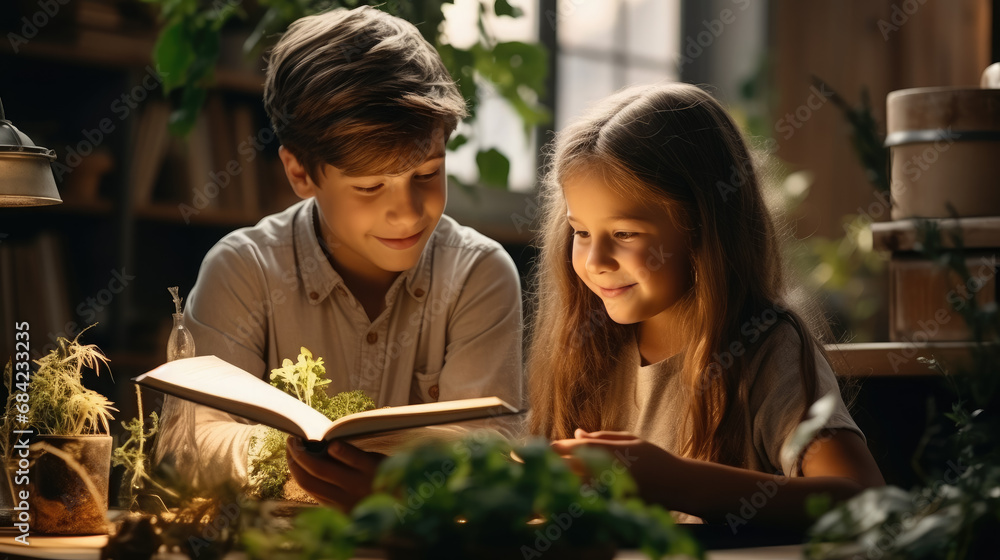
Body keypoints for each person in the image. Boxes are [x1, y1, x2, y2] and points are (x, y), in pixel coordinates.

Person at [154, 6, 524, 511]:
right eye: (370, 186)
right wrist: (293, 459)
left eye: (426, 174)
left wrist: (395, 480)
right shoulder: (244, 270)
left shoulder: (478, 275)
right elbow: (187, 449)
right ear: (300, 172)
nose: (408, 214)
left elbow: (492, 449)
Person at [528, 83, 884, 529]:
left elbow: (863, 502)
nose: (595, 261)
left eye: (624, 234)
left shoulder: (766, 348)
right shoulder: (586, 346)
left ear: (703, 227)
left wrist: (674, 481)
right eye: (580, 233)